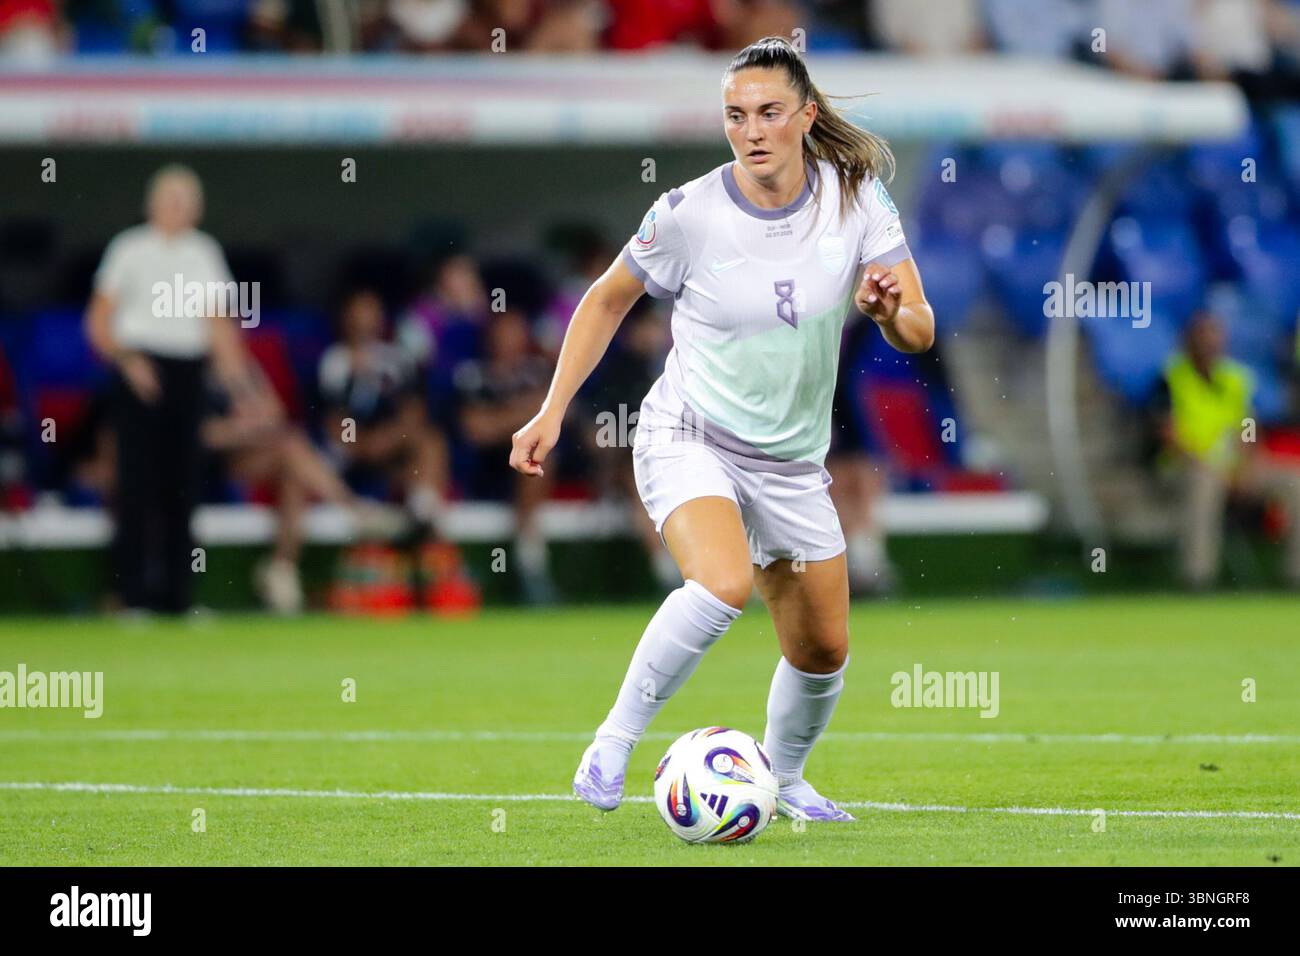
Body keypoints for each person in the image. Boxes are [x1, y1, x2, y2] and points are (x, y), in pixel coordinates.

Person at [510, 36, 933, 821]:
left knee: (823, 649)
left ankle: (788, 778)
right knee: (721, 583)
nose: (752, 130)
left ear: (806, 117)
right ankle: (613, 741)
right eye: (736, 115)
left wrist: (887, 313)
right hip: (690, 435)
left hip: (792, 462)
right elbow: (606, 299)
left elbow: (919, 326)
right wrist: (551, 408)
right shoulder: (687, 212)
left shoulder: (857, 196)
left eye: (770, 112)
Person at [84, 164, 259, 615]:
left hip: (187, 372)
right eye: (169, 197)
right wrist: (127, 360)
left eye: (186, 199)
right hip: (138, 369)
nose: (177, 207)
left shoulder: (204, 253)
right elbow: (99, 321)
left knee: (183, 486)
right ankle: (131, 596)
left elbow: (219, 327)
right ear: (152, 202)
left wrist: (242, 389)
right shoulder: (129, 248)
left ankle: (177, 600)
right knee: (136, 484)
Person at [1156, 311, 1300, 588]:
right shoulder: (1170, 377)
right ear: (1188, 341)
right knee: (1203, 483)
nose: (1210, 343)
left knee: (1295, 480)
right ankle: (1198, 579)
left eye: (1215, 336)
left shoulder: (1235, 378)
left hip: (1233, 467)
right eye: (1203, 336)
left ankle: (1295, 576)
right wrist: (1209, 465)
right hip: (1187, 466)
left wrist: (1247, 465)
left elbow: (1247, 426)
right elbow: (1168, 433)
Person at [318, 288, 450, 537]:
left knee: (430, 439)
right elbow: (335, 423)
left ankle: (423, 513)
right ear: (346, 318)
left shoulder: (397, 359)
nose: (363, 320)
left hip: (390, 450)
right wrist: (365, 445)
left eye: (369, 312)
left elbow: (413, 412)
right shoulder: (334, 361)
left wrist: (387, 439)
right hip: (350, 455)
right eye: (357, 313)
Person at [455, 307, 558, 603]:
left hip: (530, 468)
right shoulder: (473, 375)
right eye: (503, 331)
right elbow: (476, 430)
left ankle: (530, 561)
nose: (510, 339)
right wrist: (527, 416)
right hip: (483, 469)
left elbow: (564, 415)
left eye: (516, 331)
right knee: (534, 452)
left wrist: (502, 419)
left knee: (540, 459)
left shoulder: (537, 371)